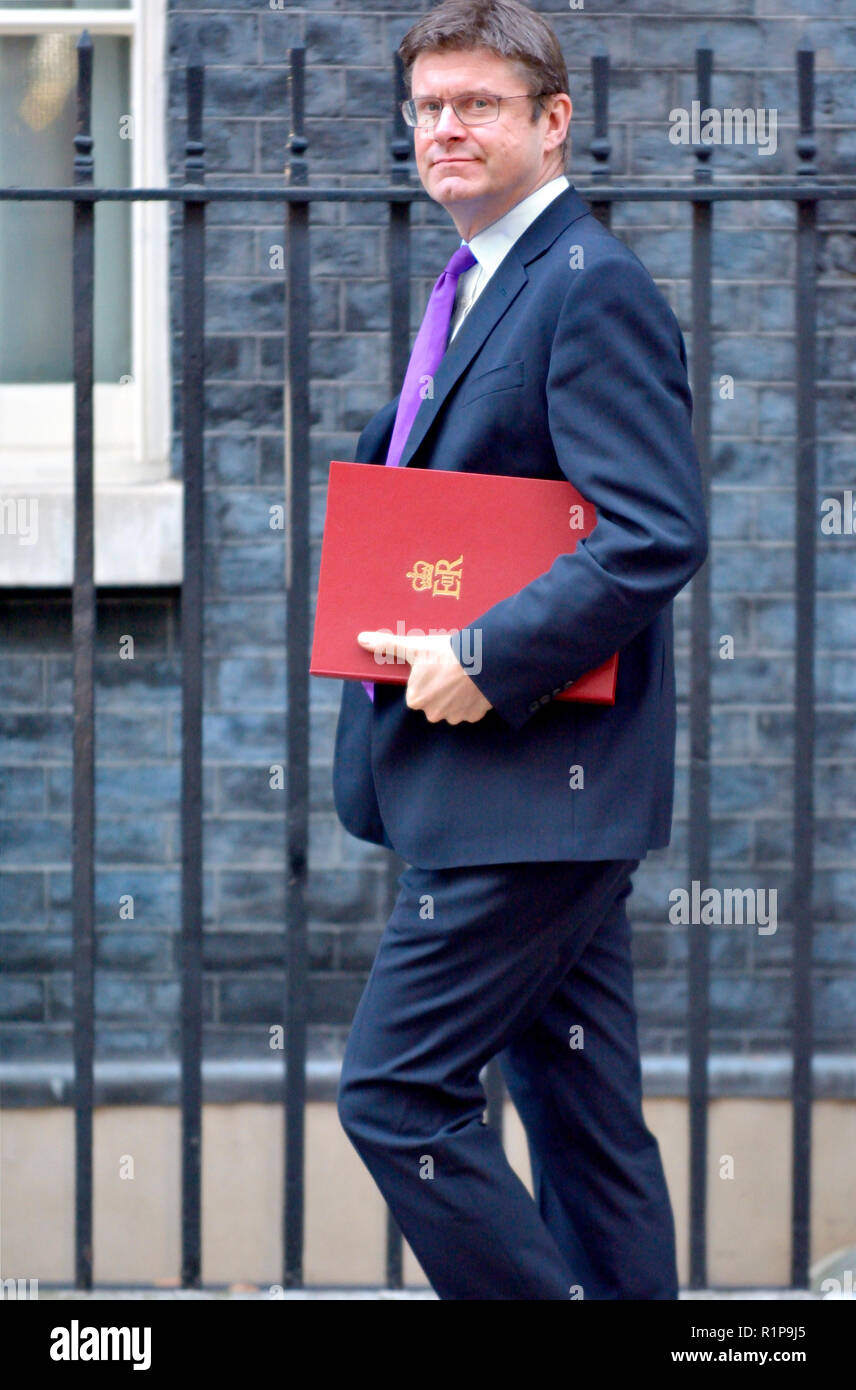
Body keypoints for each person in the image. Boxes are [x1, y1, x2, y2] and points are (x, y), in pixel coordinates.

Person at [332, 0, 708, 1300]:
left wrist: (485, 650)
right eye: (431, 106)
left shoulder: (590, 287)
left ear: (553, 124)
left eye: (479, 104)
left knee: (394, 1092)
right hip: (534, 803)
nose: (447, 127)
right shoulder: (483, 280)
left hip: (528, 798)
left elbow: (654, 533)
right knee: (587, 1132)